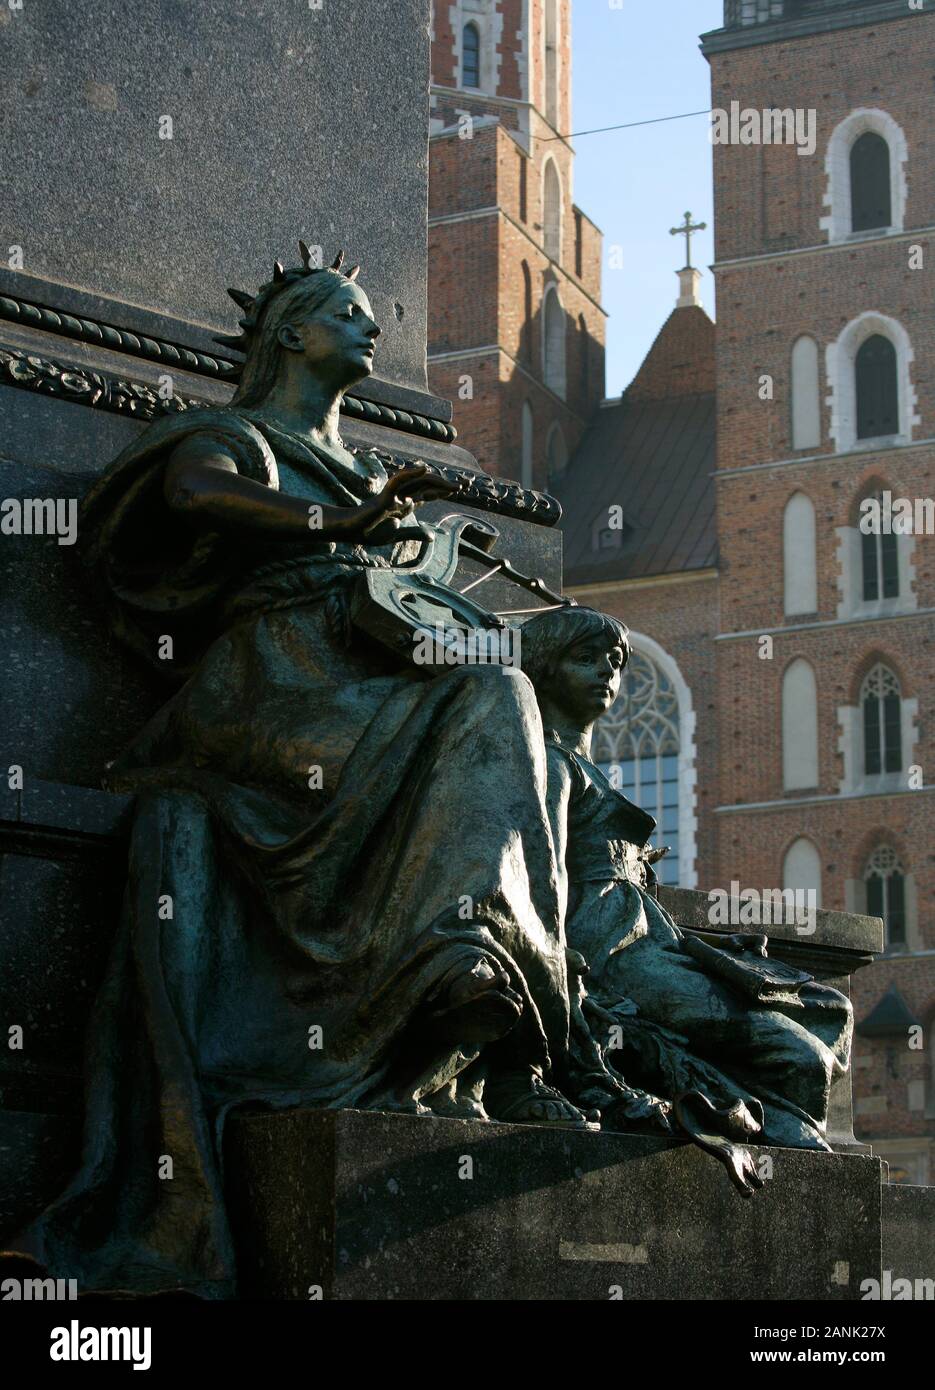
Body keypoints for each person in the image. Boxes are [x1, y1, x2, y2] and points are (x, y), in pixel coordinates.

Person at [12, 249, 591, 1298]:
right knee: (477, 700)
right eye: (346, 314)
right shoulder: (229, 436)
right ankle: (448, 983)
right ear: (289, 334)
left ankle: (473, 979)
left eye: (373, 317)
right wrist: (338, 523)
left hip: (361, 684)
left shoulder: (371, 475)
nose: (372, 330)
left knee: (500, 691)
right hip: (267, 688)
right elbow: (189, 494)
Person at [520, 605, 854, 1191]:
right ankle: (793, 1173)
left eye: (615, 662)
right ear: (543, 670)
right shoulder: (546, 766)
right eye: (585, 659)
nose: (607, 674)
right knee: (798, 1055)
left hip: (650, 936)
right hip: (607, 948)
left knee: (828, 1008)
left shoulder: (581, 766)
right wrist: (560, 975)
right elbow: (539, 881)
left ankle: (793, 1172)